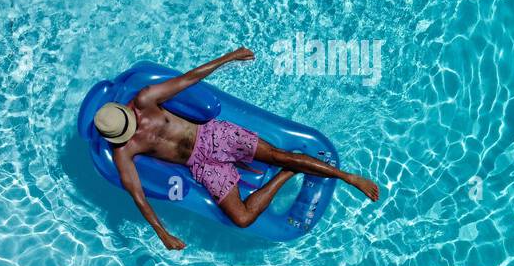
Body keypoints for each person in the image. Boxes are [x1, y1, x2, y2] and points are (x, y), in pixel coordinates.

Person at [95, 48, 381, 250]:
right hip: (201, 166)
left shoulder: (145, 99)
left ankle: (348, 177)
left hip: (213, 136)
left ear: (126, 113)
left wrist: (230, 57)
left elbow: (188, 79)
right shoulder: (123, 151)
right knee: (242, 219)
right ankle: (285, 175)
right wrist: (162, 234)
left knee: (279, 155)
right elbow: (137, 194)